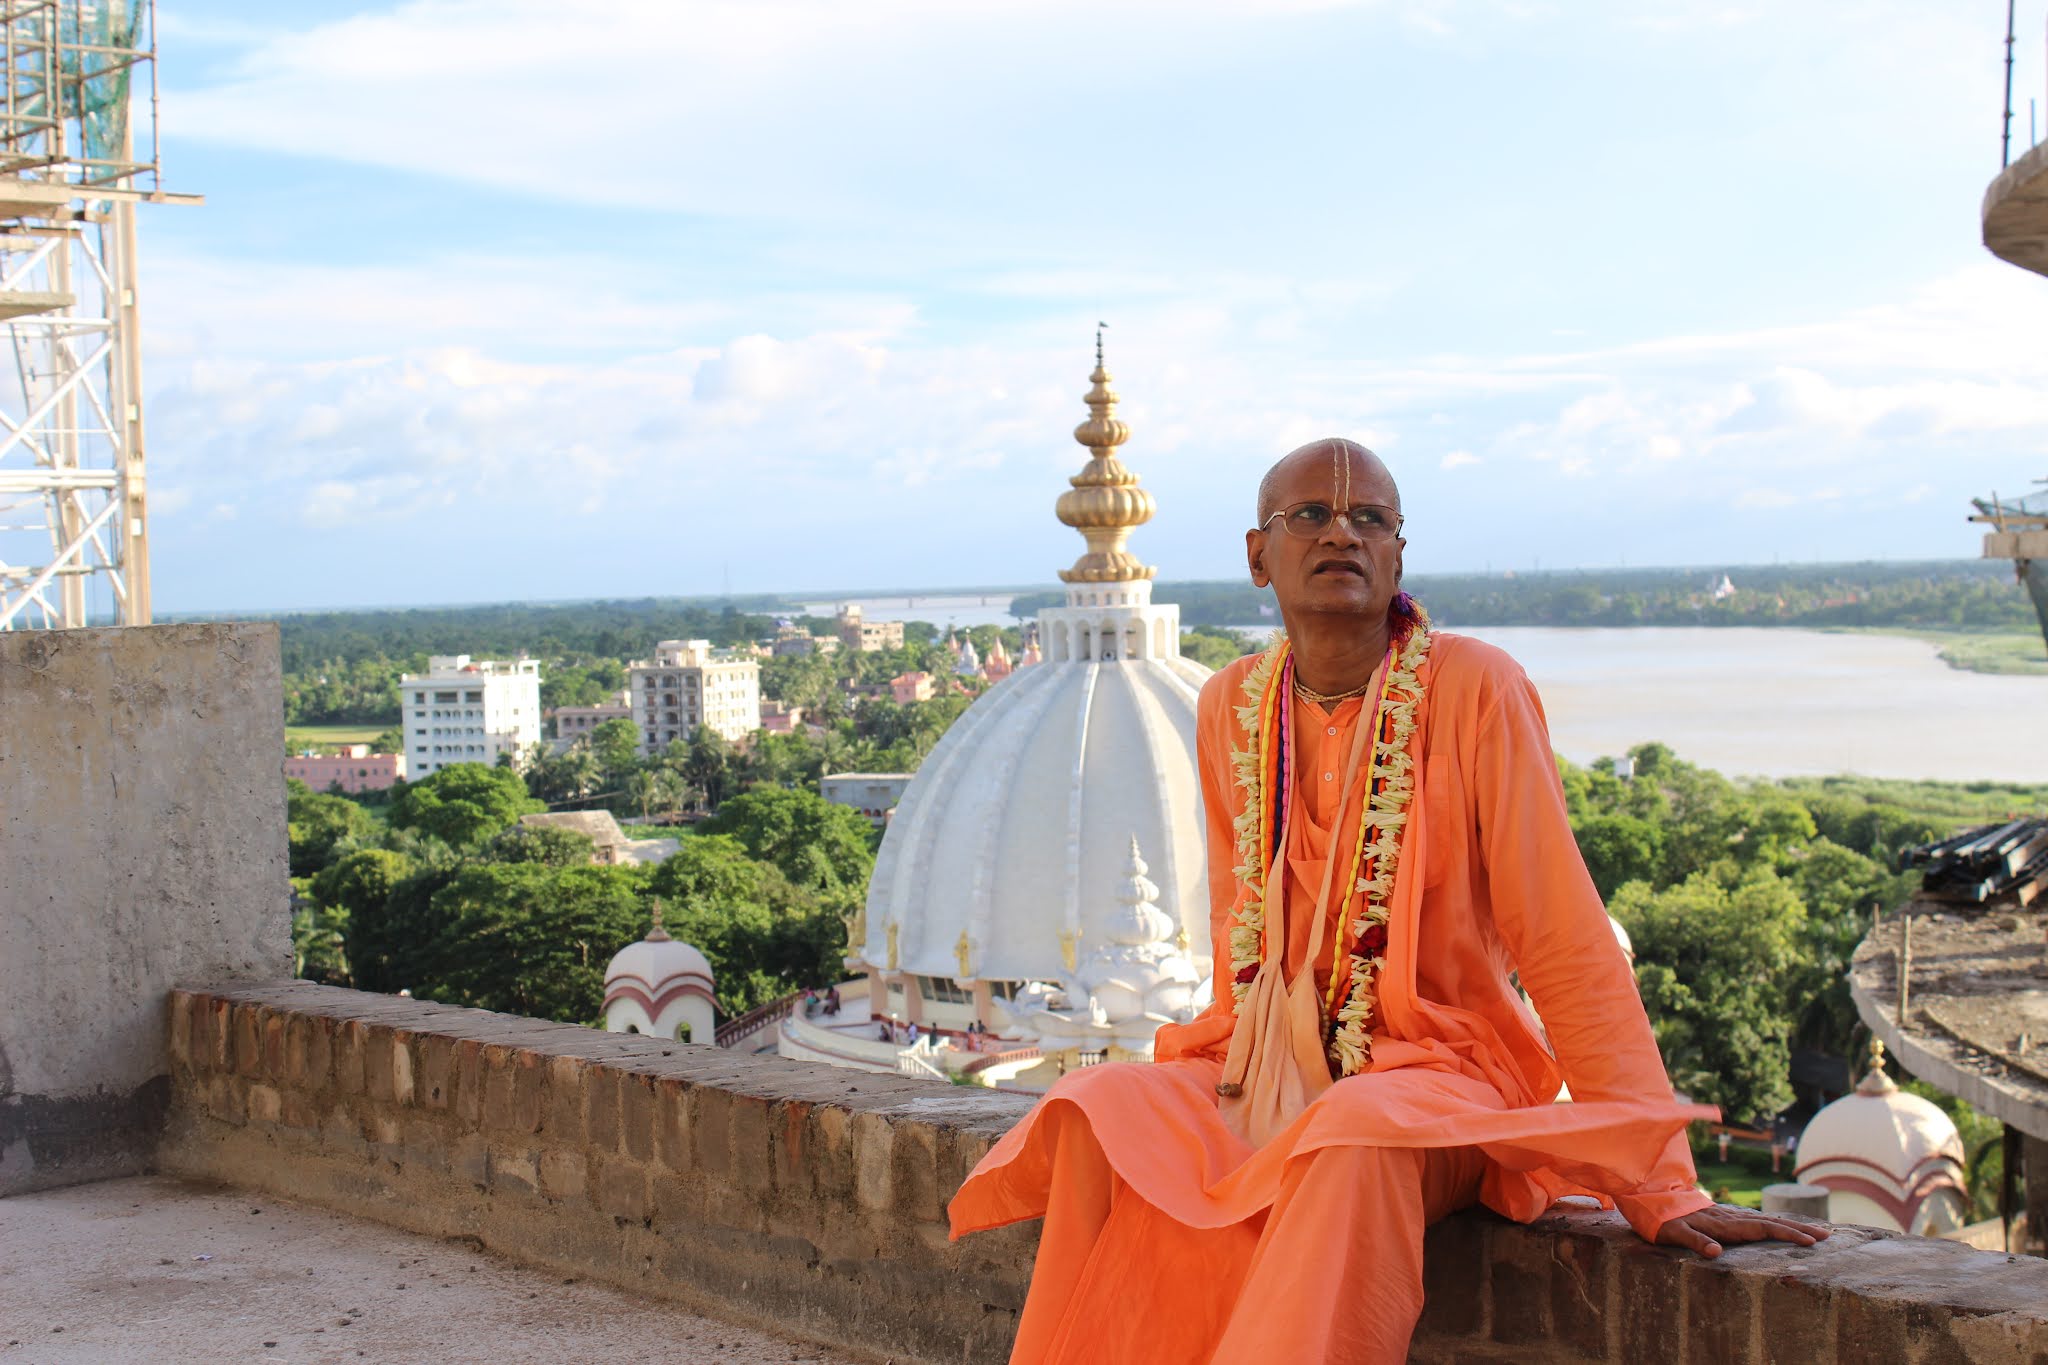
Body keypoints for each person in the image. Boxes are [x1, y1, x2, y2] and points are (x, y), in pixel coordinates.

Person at [947, 439, 1824, 1364]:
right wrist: (1230, 1079)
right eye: (1311, 516)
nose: (1342, 533)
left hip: (1440, 1080)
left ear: (1397, 557)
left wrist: (1663, 1185)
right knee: (1102, 1105)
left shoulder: (1476, 687)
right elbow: (1240, 927)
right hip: (1274, 1065)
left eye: (1370, 518)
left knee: (1347, 1130)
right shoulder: (1231, 703)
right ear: (1258, 555)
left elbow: (1564, 938)